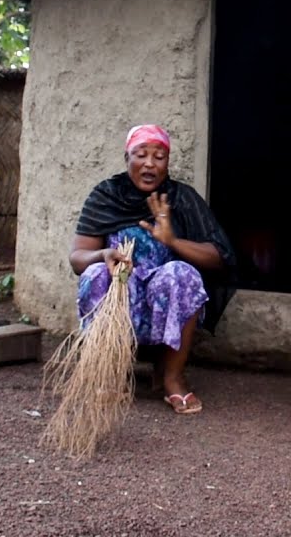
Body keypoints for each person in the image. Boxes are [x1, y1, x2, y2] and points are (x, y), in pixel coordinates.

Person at [68, 124, 235, 415]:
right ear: (127, 158)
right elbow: (77, 259)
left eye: (159, 156)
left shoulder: (181, 198)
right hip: (122, 294)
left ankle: (171, 376)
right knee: (95, 273)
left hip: (161, 300)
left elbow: (219, 257)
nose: (149, 163)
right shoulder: (107, 195)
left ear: (167, 163)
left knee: (182, 275)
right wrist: (103, 254)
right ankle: (110, 371)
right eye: (141, 154)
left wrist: (172, 241)